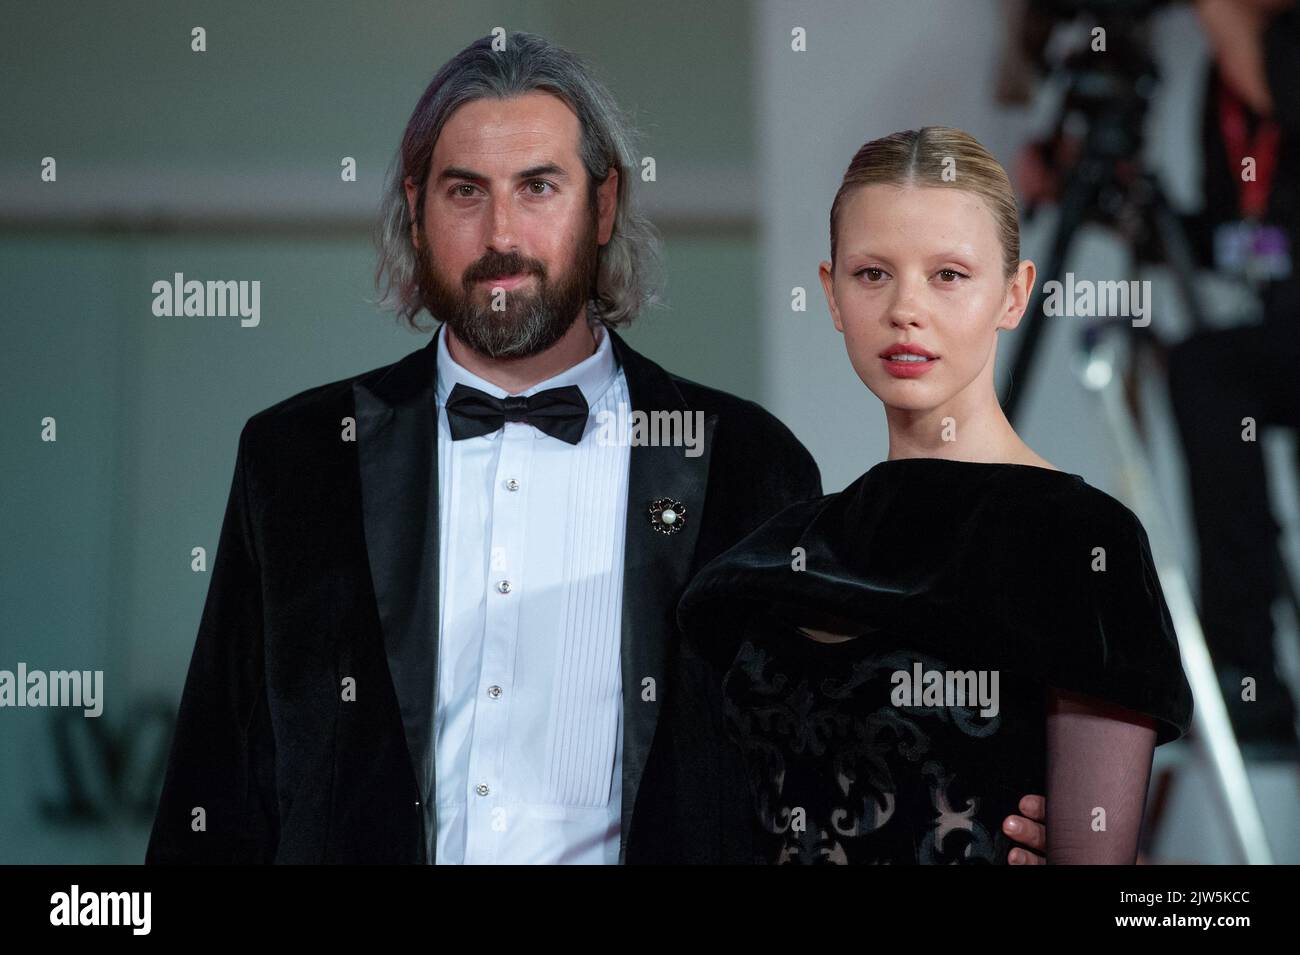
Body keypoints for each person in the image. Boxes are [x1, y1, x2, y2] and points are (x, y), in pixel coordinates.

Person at [143, 33, 1054, 865]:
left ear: (604, 201)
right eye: (467, 191)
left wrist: (985, 825)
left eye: (538, 187)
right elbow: (215, 796)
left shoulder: (748, 462)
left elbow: (815, 784)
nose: (502, 236)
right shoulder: (295, 461)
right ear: (418, 209)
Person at [678, 127, 1194, 864]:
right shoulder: (771, 560)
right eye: (872, 274)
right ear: (830, 293)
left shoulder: (1080, 543)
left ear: (1015, 295)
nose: (904, 309)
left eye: (948, 274)